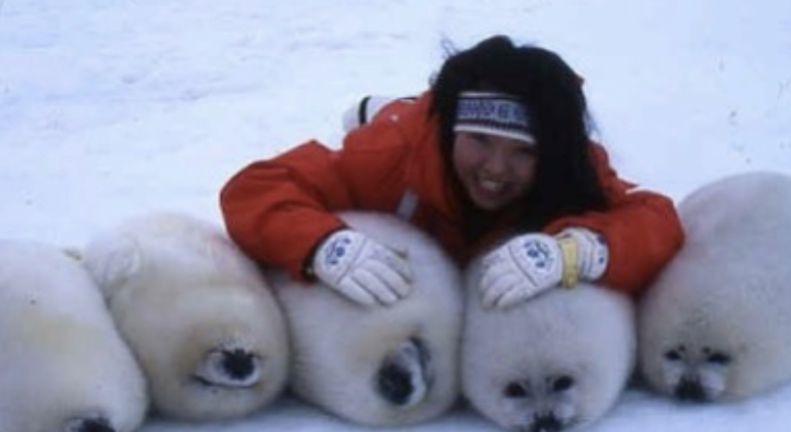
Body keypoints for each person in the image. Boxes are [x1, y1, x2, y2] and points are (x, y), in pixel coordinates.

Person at [220, 35, 685, 309]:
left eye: (523, 151)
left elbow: (655, 218)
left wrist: (579, 251)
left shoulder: (569, 166)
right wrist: (322, 244)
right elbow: (255, 188)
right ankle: (386, 108)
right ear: (449, 134)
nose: (497, 169)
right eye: (480, 140)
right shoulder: (387, 157)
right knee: (395, 123)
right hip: (403, 129)